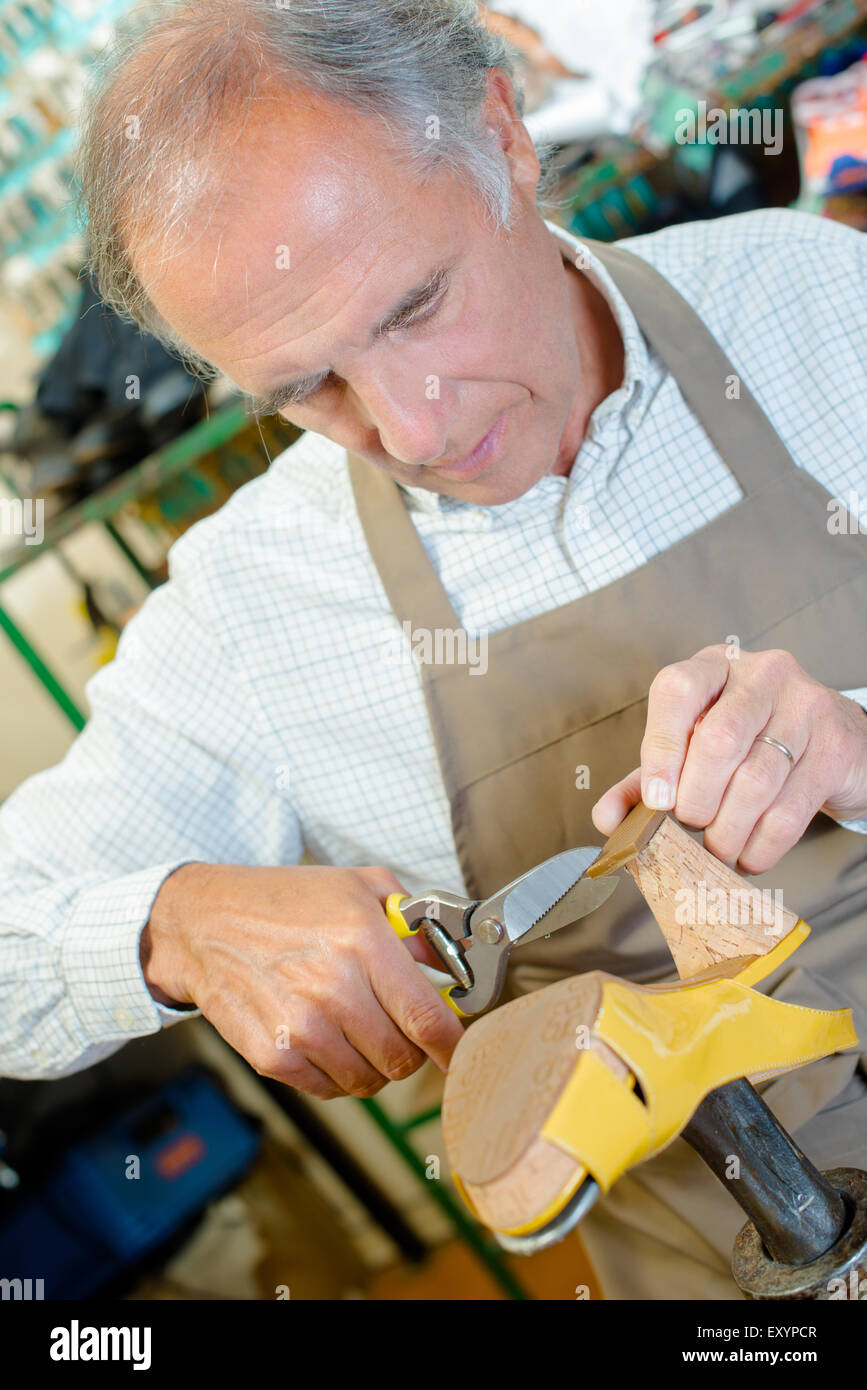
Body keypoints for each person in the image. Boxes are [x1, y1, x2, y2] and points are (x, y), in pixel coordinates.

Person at [2, 0, 866, 1297]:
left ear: (505, 137)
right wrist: (175, 925)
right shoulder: (256, 613)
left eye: (418, 305)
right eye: (305, 388)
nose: (411, 427)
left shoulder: (812, 304)